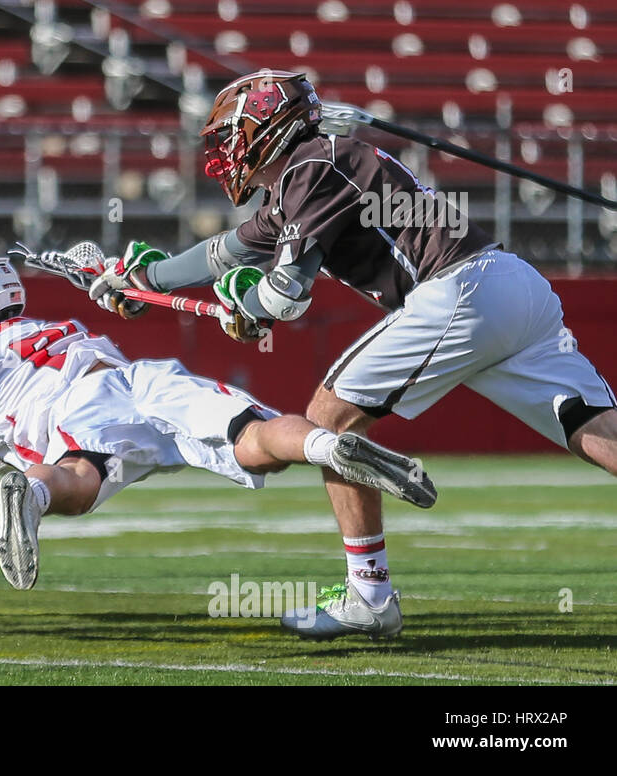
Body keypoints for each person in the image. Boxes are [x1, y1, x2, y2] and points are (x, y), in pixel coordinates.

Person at [88, 69, 617, 640]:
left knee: (328, 422)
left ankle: (369, 595)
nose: (225, 152)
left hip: (460, 290)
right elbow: (228, 251)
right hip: (514, 288)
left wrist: (247, 302)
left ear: (266, 125)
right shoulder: (308, 172)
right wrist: (147, 278)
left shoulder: (312, 165)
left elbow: (285, 295)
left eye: (233, 134)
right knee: (592, 427)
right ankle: (368, 593)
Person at [0, 257, 437, 592]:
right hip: (138, 379)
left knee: (77, 476)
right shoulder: (45, 328)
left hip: (77, 410)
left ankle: (37, 500)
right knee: (255, 439)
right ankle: (324, 444)